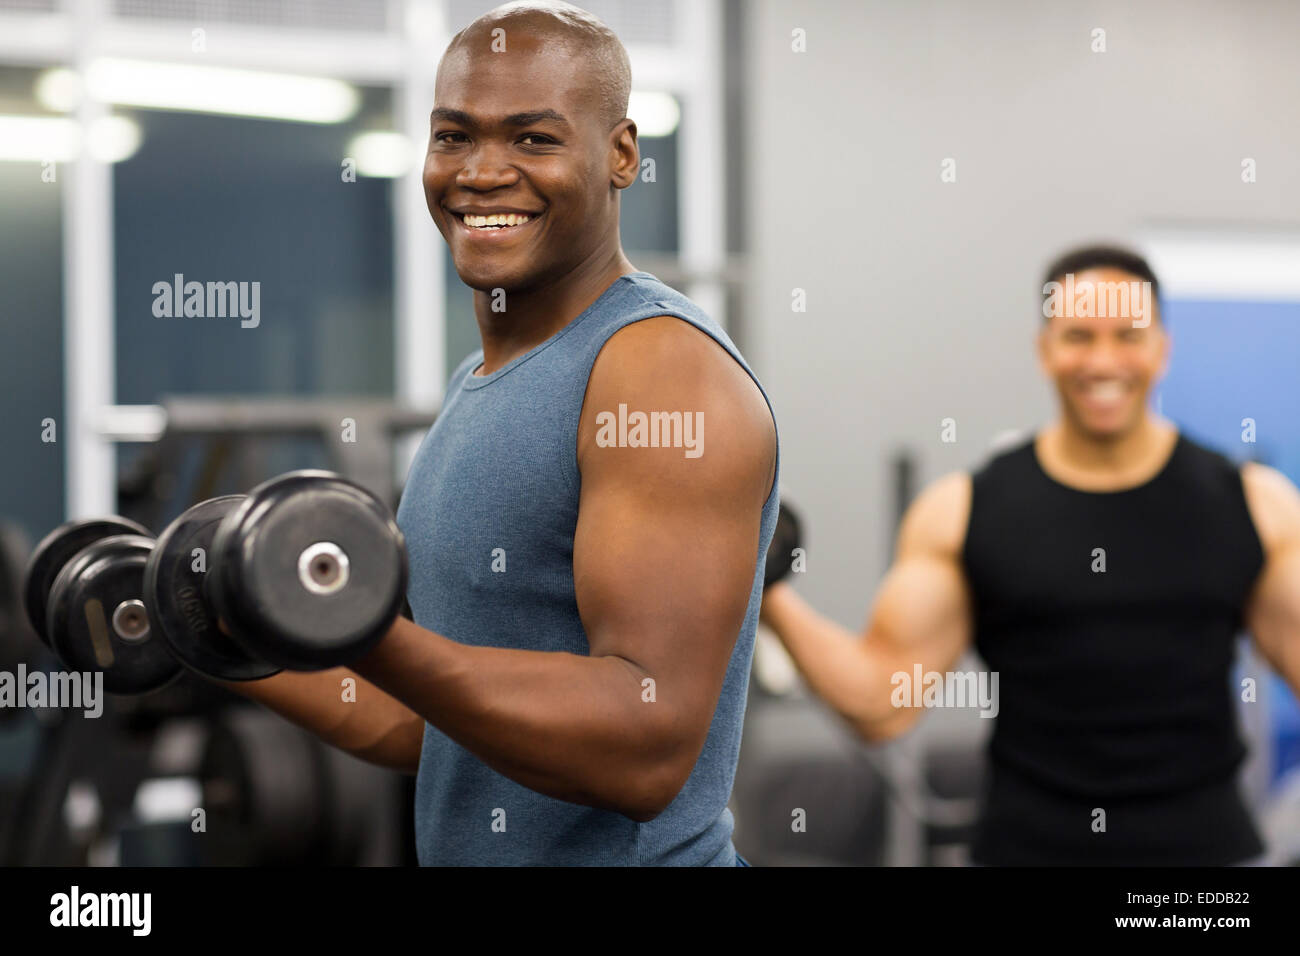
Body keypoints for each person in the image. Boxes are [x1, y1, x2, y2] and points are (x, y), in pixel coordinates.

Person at [229, 1, 778, 865]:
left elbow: (646, 742)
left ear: (621, 155)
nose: (481, 173)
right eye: (454, 136)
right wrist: (226, 629)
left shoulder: (660, 372)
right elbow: (426, 721)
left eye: (533, 139)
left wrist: (362, 627)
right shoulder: (478, 384)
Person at [761, 245, 1300, 865]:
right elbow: (881, 702)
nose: (1103, 360)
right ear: (1045, 348)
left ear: (1161, 348)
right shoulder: (964, 512)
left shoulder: (1253, 505)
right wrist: (764, 584)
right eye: (1078, 335)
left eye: (1127, 335)